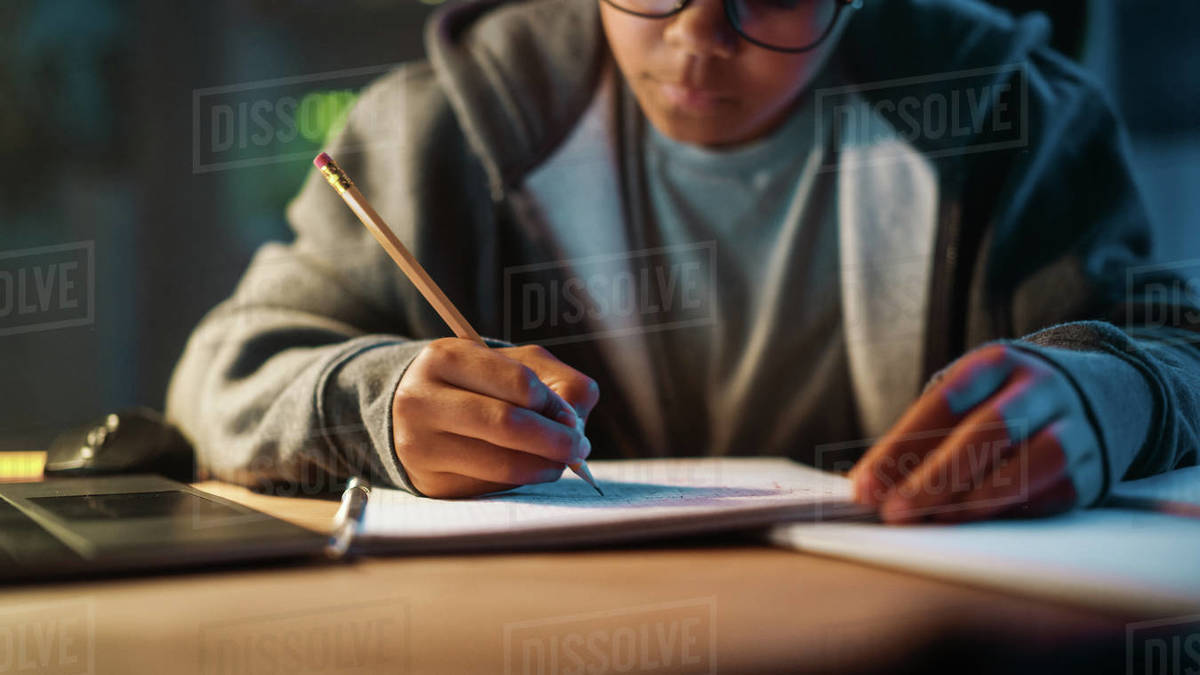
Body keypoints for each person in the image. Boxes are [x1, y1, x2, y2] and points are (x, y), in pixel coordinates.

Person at [167, 0, 1200, 522]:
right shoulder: (433, 132)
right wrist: (375, 404)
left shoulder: (1014, 117)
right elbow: (222, 374)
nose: (703, 35)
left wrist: (1117, 394)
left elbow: (1176, 349)